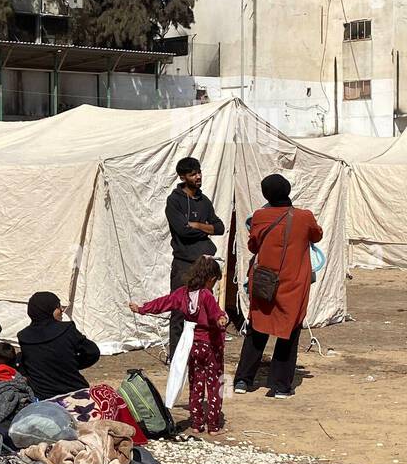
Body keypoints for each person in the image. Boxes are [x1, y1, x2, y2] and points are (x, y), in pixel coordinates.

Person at [233, 174, 323, 400]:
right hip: (293, 283)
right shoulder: (304, 217)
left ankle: (243, 380)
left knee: (257, 328)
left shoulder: (260, 216)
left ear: (266, 195)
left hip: (264, 280)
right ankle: (281, 386)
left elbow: (253, 245)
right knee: (288, 331)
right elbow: (317, 235)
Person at [129, 256, 229, 433]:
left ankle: (197, 423)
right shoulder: (207, 295)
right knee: (214, 385)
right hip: (211, 346)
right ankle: (213, 425)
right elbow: (215, 314)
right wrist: (222, 318)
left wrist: (142, 309)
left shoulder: (183, 293)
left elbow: (163, 302)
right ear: (211, 279)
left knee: (196, 383)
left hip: (193, 345)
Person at [165, 158, 224, 359]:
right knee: (180, 310)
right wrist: (205, 229)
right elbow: (182, 231)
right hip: (184, 263)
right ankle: (176, 357)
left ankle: (200, 353)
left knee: (204, 310)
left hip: (204, 264)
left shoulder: (204, 200)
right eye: (192, 174)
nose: (198, 177)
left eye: (199, 172)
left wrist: (197, 225)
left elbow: (220, 227)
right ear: (182, 177)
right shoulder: (174, 201)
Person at [17, 291, 101, 399]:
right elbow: (92, 352)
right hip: (74, 393)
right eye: (58, 307)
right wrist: (72, 364)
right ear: (48, 310)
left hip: (44, 397)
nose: (61, 310)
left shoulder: (24, 337)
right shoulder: (67, 329)